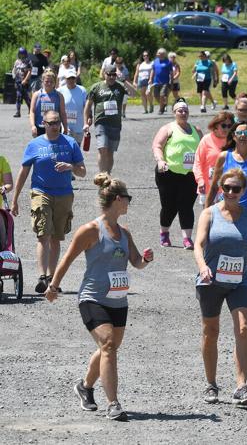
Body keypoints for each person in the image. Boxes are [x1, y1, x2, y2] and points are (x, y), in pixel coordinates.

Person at [45, 173, 153, 421]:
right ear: (117, 199)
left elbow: (135, 262)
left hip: (118, 300)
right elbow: (67, 259)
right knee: (108, 345)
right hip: (92, 298)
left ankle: (84, 386)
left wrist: (145, 259)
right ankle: (113, 403)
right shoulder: (90, 230)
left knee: (110, 348)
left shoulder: (124, 232)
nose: (129, 202)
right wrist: (53, 287)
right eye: (128, 198)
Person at [193, 168, 247, 408]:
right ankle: (211, 383)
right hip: (211, 281)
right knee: (211, 332)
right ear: (221, 188)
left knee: (243, 328)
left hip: (239, 281)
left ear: (243, 191)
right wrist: (202, 267)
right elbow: (198, 246)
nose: (231, 192)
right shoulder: (209, 214)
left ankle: (241, 386)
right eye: (227, 188)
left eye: (236, 188)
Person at [11, 110, 86, 293]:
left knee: (56, 237)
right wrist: (15, 199)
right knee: (43, 234)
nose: (55, 126)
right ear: (43, 124)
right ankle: (42, 277)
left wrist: (71, 167)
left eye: (57, 122)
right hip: (40, 192)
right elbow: (24, 172)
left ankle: (52, 279)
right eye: (51, 123)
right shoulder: (34, 145)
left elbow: (82, 171)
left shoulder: (70, 143)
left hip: (64, 195)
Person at [152, 99, 202, 249]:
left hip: (190, 175)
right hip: (168, 173)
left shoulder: (196, 130)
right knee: (169, 206)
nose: (183, 113)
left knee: (186, 206)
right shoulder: (168, 128)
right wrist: (160, 161)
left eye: (185, 110)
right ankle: (164, 233)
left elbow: (204, 149)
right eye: (180, 110)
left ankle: (187, 239)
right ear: (174, 113)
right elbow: (157, 145)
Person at [83, 64, 137, 174]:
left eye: (114, 75)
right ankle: (103, 176)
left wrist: (125, 80)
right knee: (102, 149)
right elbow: (88, 106)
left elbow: (134, 94)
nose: (112, 77)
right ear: (104, 74)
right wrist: (86, 123)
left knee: (110, 152)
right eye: (109, 74)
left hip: (115, 124)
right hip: (101, 123)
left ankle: (108, 174)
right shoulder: (96, 87)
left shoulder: (120, 86)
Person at [194, 111, 234, 206]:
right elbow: (198, 162)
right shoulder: (206, 140)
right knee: (209, 217)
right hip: (209, 186)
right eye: (223, 126)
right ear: (215, 126)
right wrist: (200, 180)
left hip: (229, 187)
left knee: (227, 218)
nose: (227, 128)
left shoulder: (233, 140)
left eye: (229, 126)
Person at [29, 70, 68, 138]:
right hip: (40, 127)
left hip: (55, 128)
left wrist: (65, 127)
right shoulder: (36, 95)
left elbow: (62, 113)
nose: (49, 83)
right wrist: (33, 126)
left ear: (54, 83)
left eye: (51, 82)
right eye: (47, 81)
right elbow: (32, 112)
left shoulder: (59, 96)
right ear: (42, 81)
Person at [57, 69, 87, 145]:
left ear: (76, 78)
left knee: (76, 149)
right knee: (67, 147)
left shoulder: (82, 90)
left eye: (73, 78)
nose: (71, 80)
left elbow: (86, 106)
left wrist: (88, 118)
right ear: (65, 79)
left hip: (79, 126)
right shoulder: (60, 90)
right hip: (65, 126)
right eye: (68, 78)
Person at [148, 48, 172, 115]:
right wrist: (150, 79)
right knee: (156, 96)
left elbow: (171, 73)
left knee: (162, 95)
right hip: (156, 82)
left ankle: (161, 110)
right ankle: (163, 104)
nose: (157, 54)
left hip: (165, 82)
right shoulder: (155, 61)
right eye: (157, 53)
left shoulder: (168, 62)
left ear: (163, 54)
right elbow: (153, 70)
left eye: (159, 53)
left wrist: (171, 81)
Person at [13, 48, 32, 118]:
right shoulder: (17, 61)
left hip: (25, 82)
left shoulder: (28, 62)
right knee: (18, 96)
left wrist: (25, 80)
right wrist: (14, 78)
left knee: (26, 97)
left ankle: (31, 110)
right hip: (18, 81)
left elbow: (30, 71)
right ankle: (18, 112)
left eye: (23, 54)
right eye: (20, 54)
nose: (21, 55)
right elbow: (14, 70)